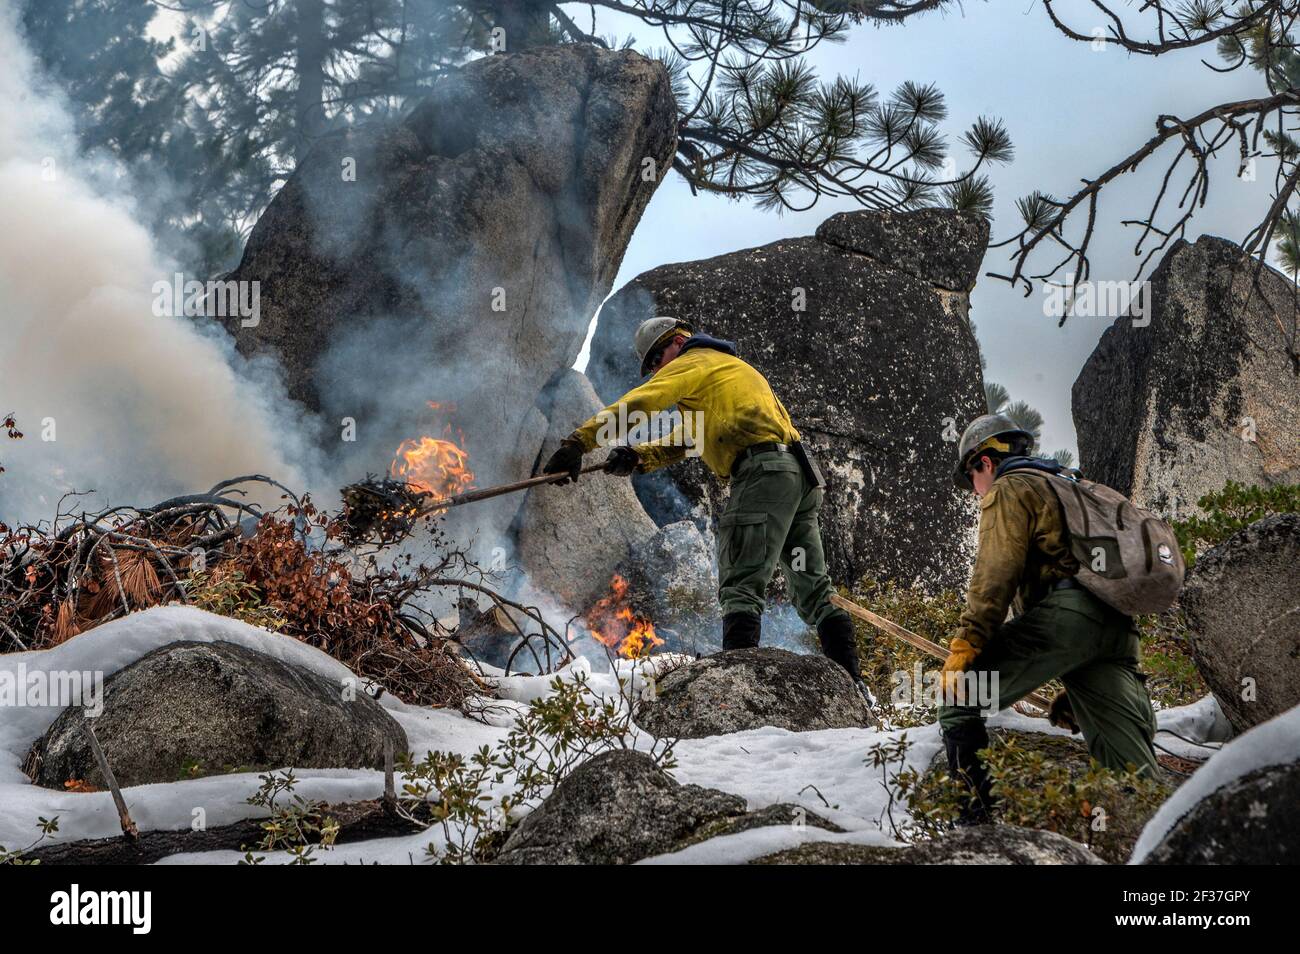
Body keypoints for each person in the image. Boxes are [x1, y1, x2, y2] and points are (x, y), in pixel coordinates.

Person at [543, 316, 869, 699]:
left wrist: (579, 443)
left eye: (656, 359)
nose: (655, 370)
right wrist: (637, 457)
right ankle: (854, 683)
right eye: (649, 366)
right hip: (797, 477)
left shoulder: (694, 362)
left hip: (762, 473)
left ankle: (739, 687)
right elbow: (687, 440)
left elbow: (640, 404)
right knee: (813, 589)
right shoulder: (729, 371)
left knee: (740, 579)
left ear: (678, 342)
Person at [939, 413, 1161, 824]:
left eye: (971, 478)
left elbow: (995, 574)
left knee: (957, 699)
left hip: (1069, 622)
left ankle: (974, 833)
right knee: (1133, 775)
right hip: (1116, 627)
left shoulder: (1010, 487)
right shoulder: (1067, 483)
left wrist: (967, 643)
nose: (974, 492)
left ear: (984, 463)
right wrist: (1076, 679)